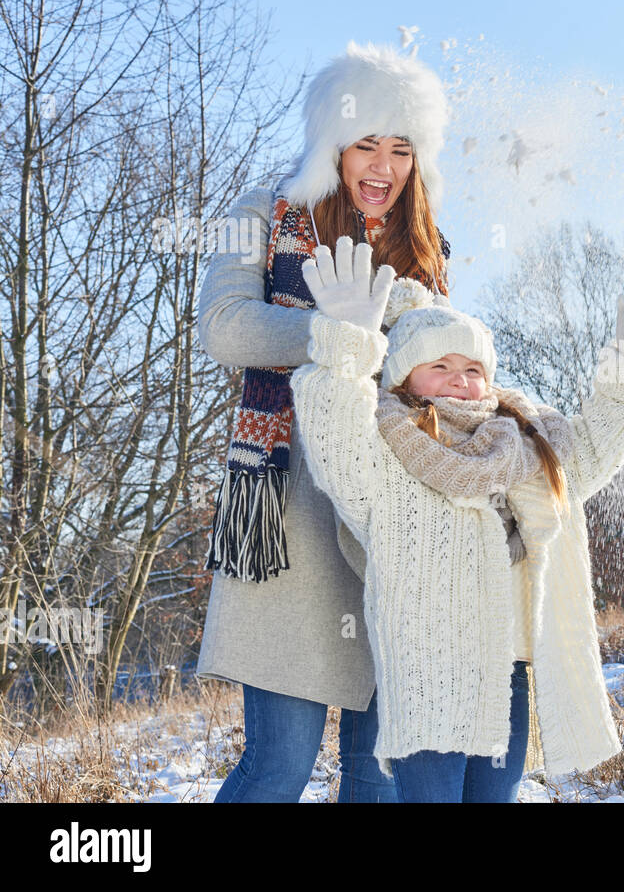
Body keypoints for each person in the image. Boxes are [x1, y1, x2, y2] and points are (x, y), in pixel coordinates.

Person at [289, 238, 624, 801]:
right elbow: (334, 441)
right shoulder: (386, 453)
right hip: (428, 679)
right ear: (401, 378)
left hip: (508, 670)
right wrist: (348, 348)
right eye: (439, 365)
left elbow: (592, 451)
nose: (459, 378)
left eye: (472, 368)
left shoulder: (526, 444)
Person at [196, 42, 451, 802]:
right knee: (278, 765)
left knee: (377, 777)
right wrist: (333, 335)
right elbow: (224, 326)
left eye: (401, 147)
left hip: (389, 525)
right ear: (331, 145)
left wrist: (421, 333)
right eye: (366, 142)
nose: (383, 163)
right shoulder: (262, 217)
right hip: (290, 515)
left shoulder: (427, 251)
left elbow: (440, 381)